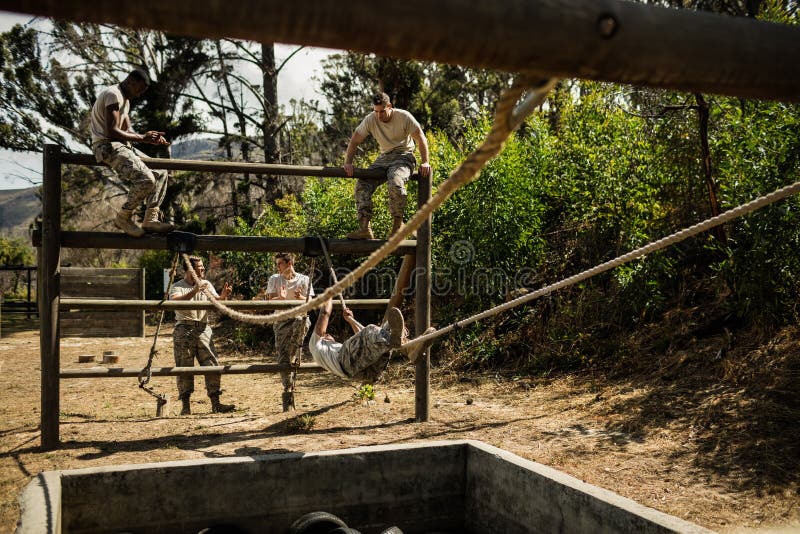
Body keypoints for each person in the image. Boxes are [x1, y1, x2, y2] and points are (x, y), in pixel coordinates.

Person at [90, 68, 174, 238]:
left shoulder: (125, 102)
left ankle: (150, 219)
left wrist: (150, 138)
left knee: (161, 171)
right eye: (139, 89)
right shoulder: (113, 95)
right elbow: (112, 131)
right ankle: (123, 217)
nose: (140, 94)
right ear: (130, 81)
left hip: (121, 145)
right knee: (147, 179)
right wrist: (143, 137)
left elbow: (127, 131)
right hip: (106, 146)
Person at [343, 92, 432, 240]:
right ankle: (365, 229)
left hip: (404, 156)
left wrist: (425, 161)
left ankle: (397, 226)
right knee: (362, 184)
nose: (379, 115)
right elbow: (354, 141)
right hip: (384, 158)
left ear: (389, 106)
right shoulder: (371, 119)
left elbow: (421, 137)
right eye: (376, 111)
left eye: (382, 111)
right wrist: (348, 163)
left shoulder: (404, 117)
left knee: (396, 182)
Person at [169, 255, 236, 415]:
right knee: (184, 366)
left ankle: (216, 402)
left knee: (212, 363)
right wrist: (194, 291)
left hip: (203, 327)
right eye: (200, 267)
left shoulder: (206, 284)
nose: (203, 269)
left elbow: (215, 299)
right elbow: (175, 301)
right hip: (184, 329)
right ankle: (186, 406)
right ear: (190, 269)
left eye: (202, 267)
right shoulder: (177, 286)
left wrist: (223, 296)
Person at [308, 298, 407, 383]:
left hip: (361, 373)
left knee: (385, 331)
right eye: (327, 334)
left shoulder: (328, 354)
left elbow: (362, 341)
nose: (329, 334)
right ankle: (399, 341)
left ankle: (405, 345)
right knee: (371, 329)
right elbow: (324, 314)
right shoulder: (316, 343)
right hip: (345, 364)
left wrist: (350, 320)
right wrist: (329, 295)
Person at [264, 252, 314, 411]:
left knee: (302, 321)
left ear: (289, 264)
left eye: (280, 264)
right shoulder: (275, 279)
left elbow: (310, 302)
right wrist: (281, 297)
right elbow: (268, 301)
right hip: (281, 319)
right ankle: (288, 391)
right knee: (283, 357)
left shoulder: (304, 279)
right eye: (277, 264)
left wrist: (300, 298)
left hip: (298, 317)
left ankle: (294, 350)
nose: (277, 267)